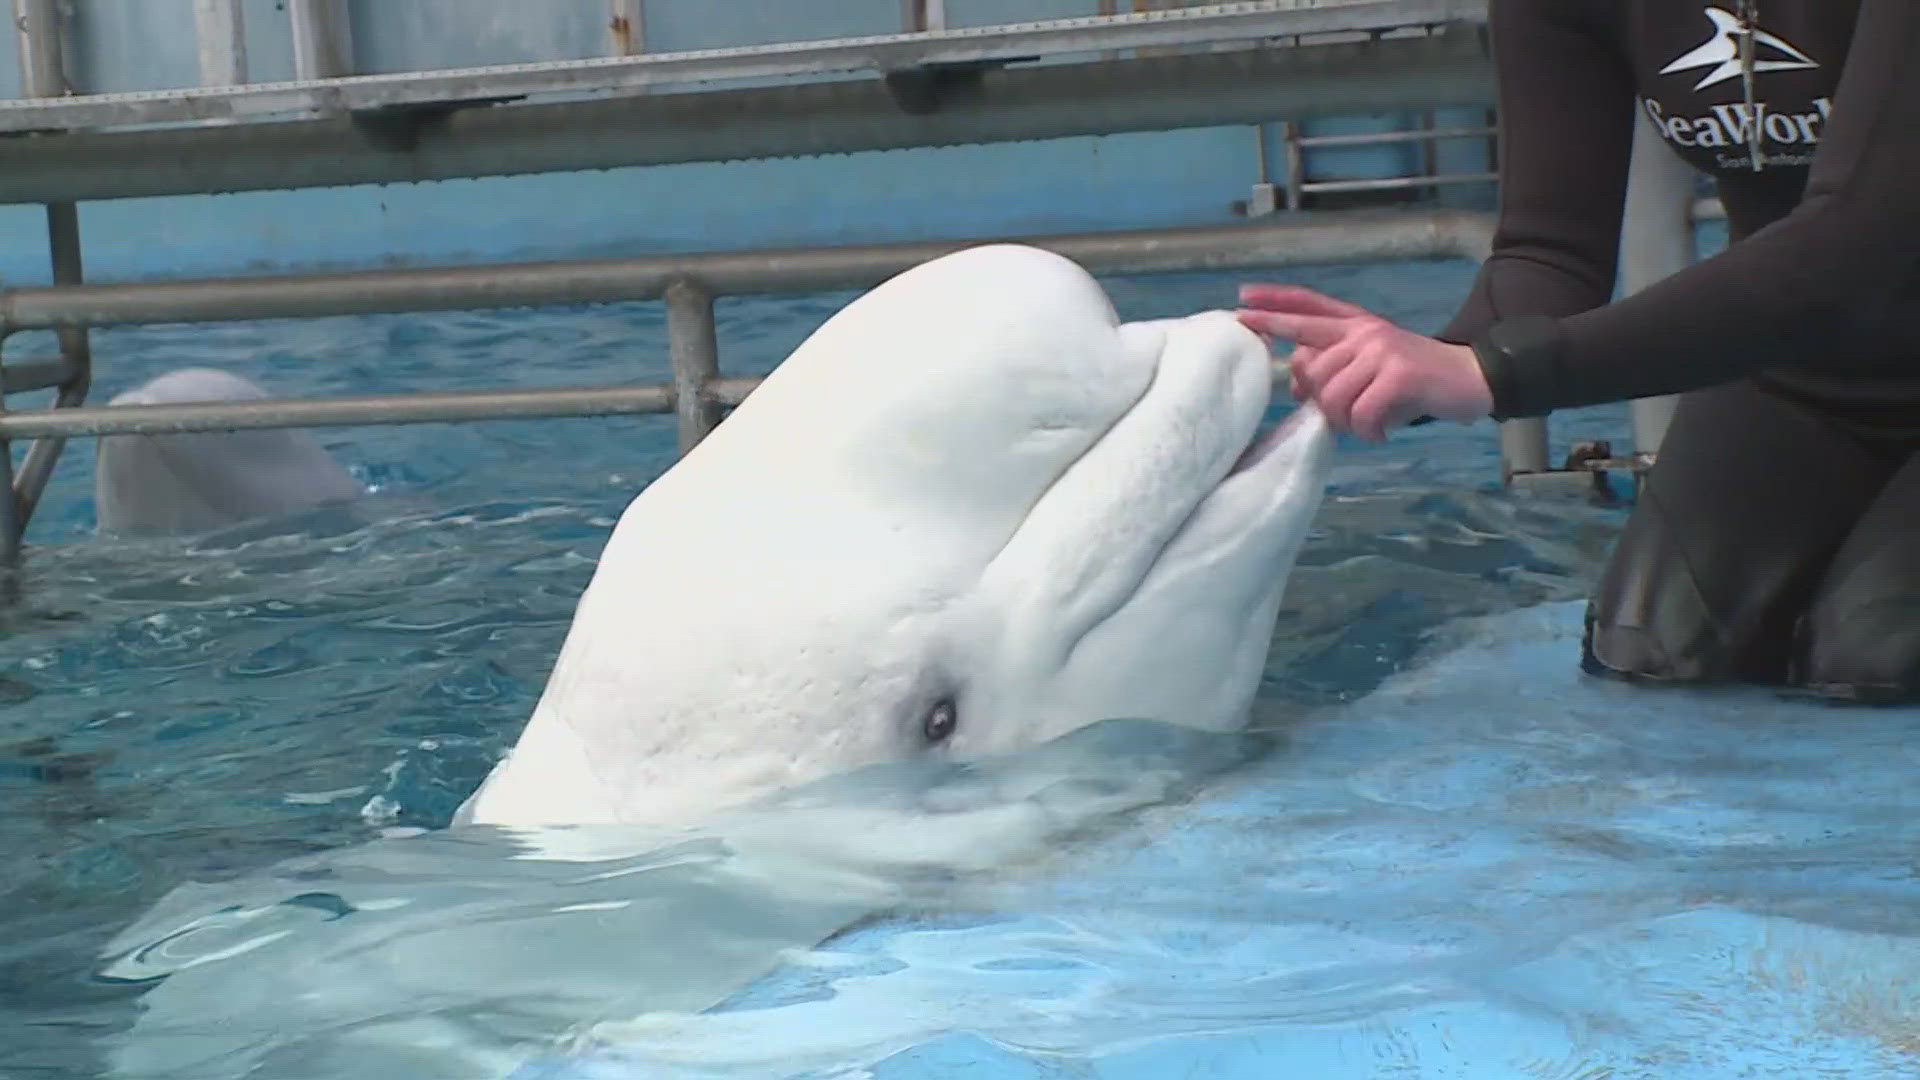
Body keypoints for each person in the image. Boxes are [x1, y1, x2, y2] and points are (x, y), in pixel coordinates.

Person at [1236, 0, 1920, 703]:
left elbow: (1859, 242)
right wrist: (1411, 370)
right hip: (1800, 373)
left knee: (1877, 658)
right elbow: (1549, 251)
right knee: (1652, 648)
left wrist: (1493, 373)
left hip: (1839, 296)